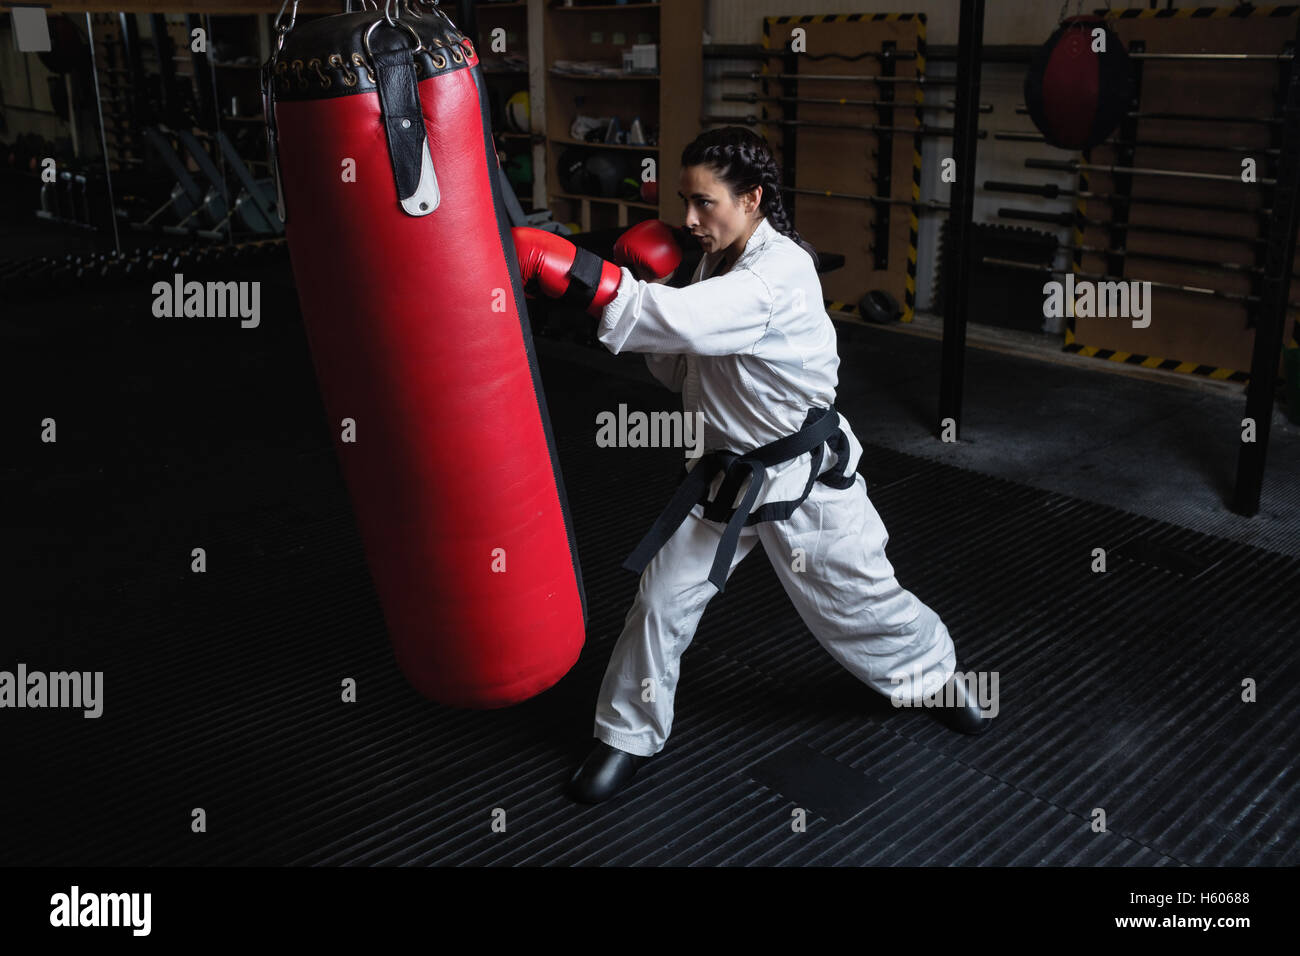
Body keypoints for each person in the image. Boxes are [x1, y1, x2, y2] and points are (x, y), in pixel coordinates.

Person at [511, 127, 993, 807]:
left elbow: (681, 324)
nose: (687, 220)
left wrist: (584, 275)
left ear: (753, 199)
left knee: (861, 602)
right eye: (683, 202)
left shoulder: (777, 273)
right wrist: (655, 279)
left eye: (704, 203)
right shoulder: (712, 262)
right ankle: (626, 735)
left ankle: (933, 676)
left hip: (803, 483)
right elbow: (683, 363)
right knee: (659, 603)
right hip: (726, 480)